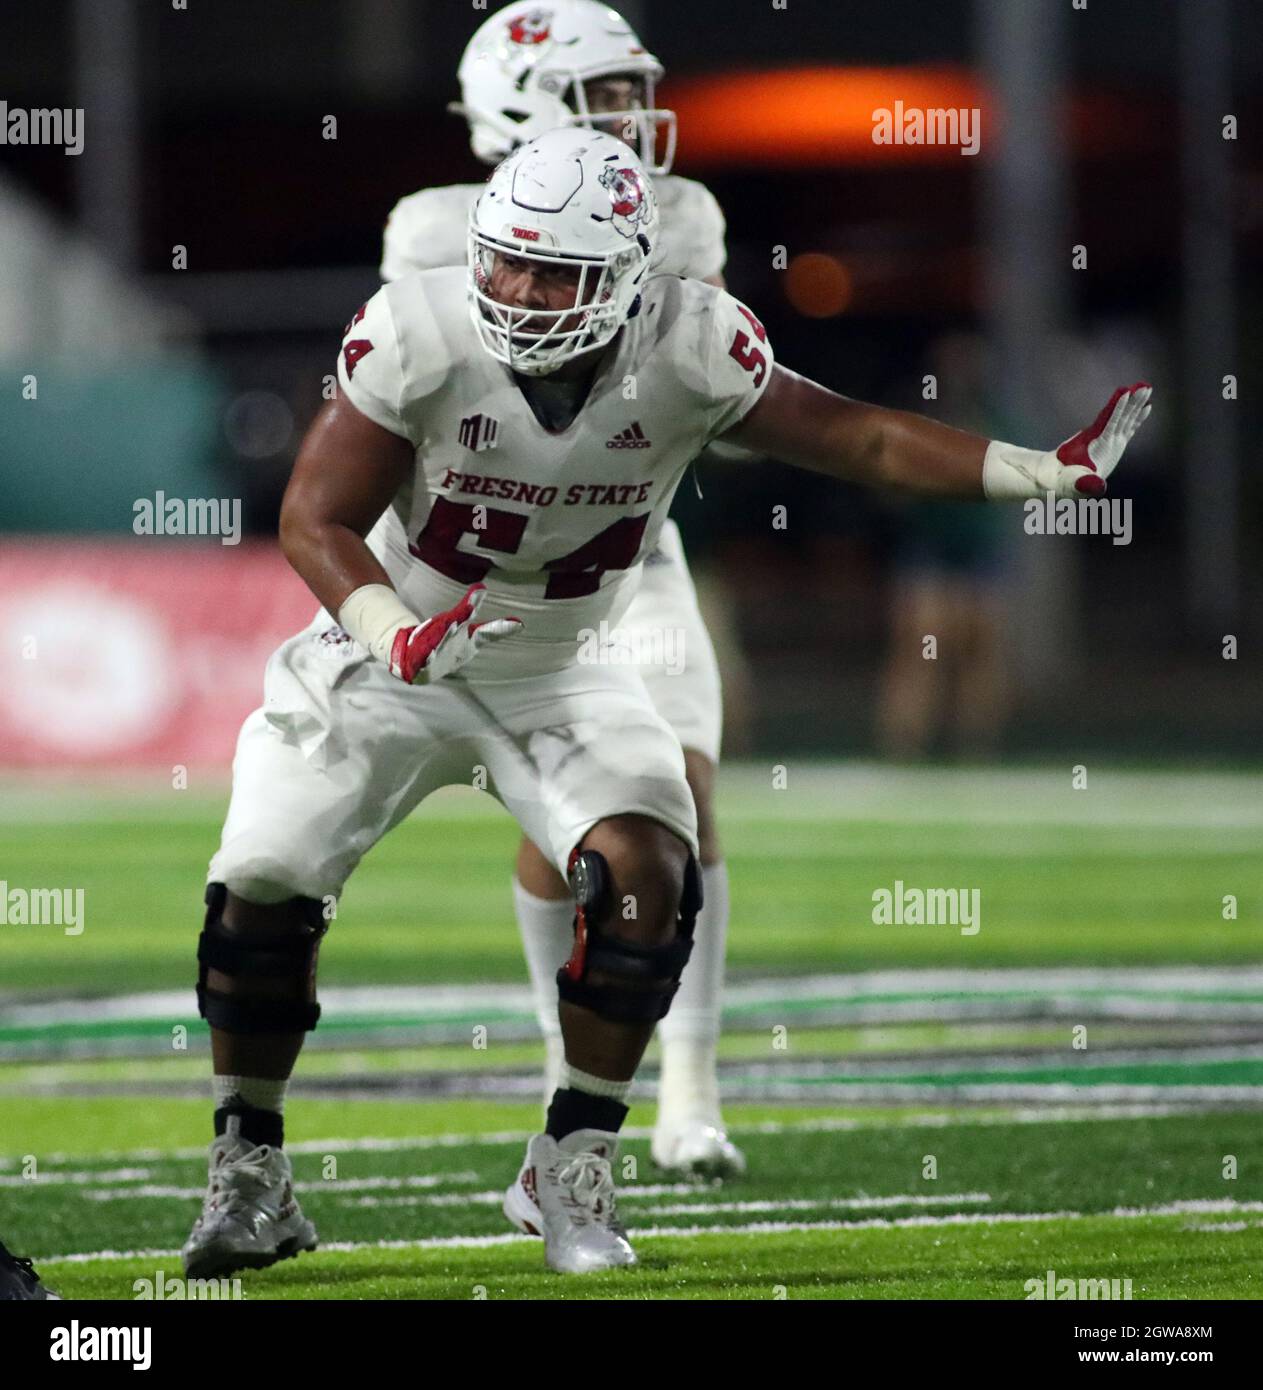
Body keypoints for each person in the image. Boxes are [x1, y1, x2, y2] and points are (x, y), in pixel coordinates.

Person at [182, 126, 1151, 1276]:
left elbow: (860, 435)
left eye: (557, 272)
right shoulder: (422, 325)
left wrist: (1033, 469)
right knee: (258, 886)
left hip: (559, 660)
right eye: (507, 261)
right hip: (387, 647)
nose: (522, 292)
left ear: (632, 277)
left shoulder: (692, 345)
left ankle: (571, 1164)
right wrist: (396, 629)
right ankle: (251, 1171)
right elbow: (314, 518)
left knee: (650, 868)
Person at [382, 0, 742, 1178]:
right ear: (523, 103)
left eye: (637, 92)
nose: (637, 118)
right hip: (499, 568)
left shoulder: (679, 213)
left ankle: (692, 1085)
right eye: (608, 95)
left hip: (623, 551)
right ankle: (563, 1056)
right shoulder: (434, 225)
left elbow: (703, 390)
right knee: (559, 810)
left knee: (680, 788)